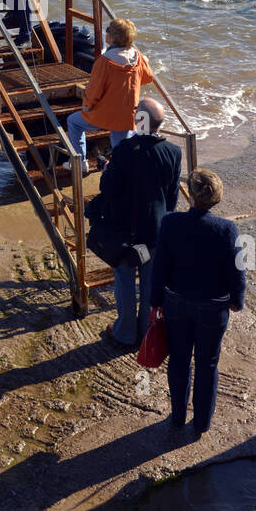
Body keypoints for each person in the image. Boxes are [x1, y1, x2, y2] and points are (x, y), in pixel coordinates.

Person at [149, 167, 246, 439]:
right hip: (213, 308)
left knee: (179, 361)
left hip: (176, 304)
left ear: (190, 196)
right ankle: (201, 423)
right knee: (208, 364)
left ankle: (178, 417)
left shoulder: (170, 222)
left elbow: (160, 267)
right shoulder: (226, 228)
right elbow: (236, 269)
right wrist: (237, 299)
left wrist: (155, 301)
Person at [88, 97, 182, 347]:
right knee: (151, 284)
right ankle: (146, 329)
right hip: (156, 230)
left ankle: (125, 332)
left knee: (125, 281)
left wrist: (107, 170)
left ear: (139, 121)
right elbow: (172, 196)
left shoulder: (125, 151)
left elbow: (108, 188)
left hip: (126, 232)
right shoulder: (173, 152)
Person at [65, 18, 154, 175]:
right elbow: (148, 78)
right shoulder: (138, 57)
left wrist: (87, 105)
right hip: (127, 114)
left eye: (108, 30)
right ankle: (128, 173)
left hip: (104, 115)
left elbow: (94, 90)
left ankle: (80, 162)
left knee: (74, 122)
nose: (105, 32)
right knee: (121, 149)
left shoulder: (104, 61)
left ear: (112, 38)